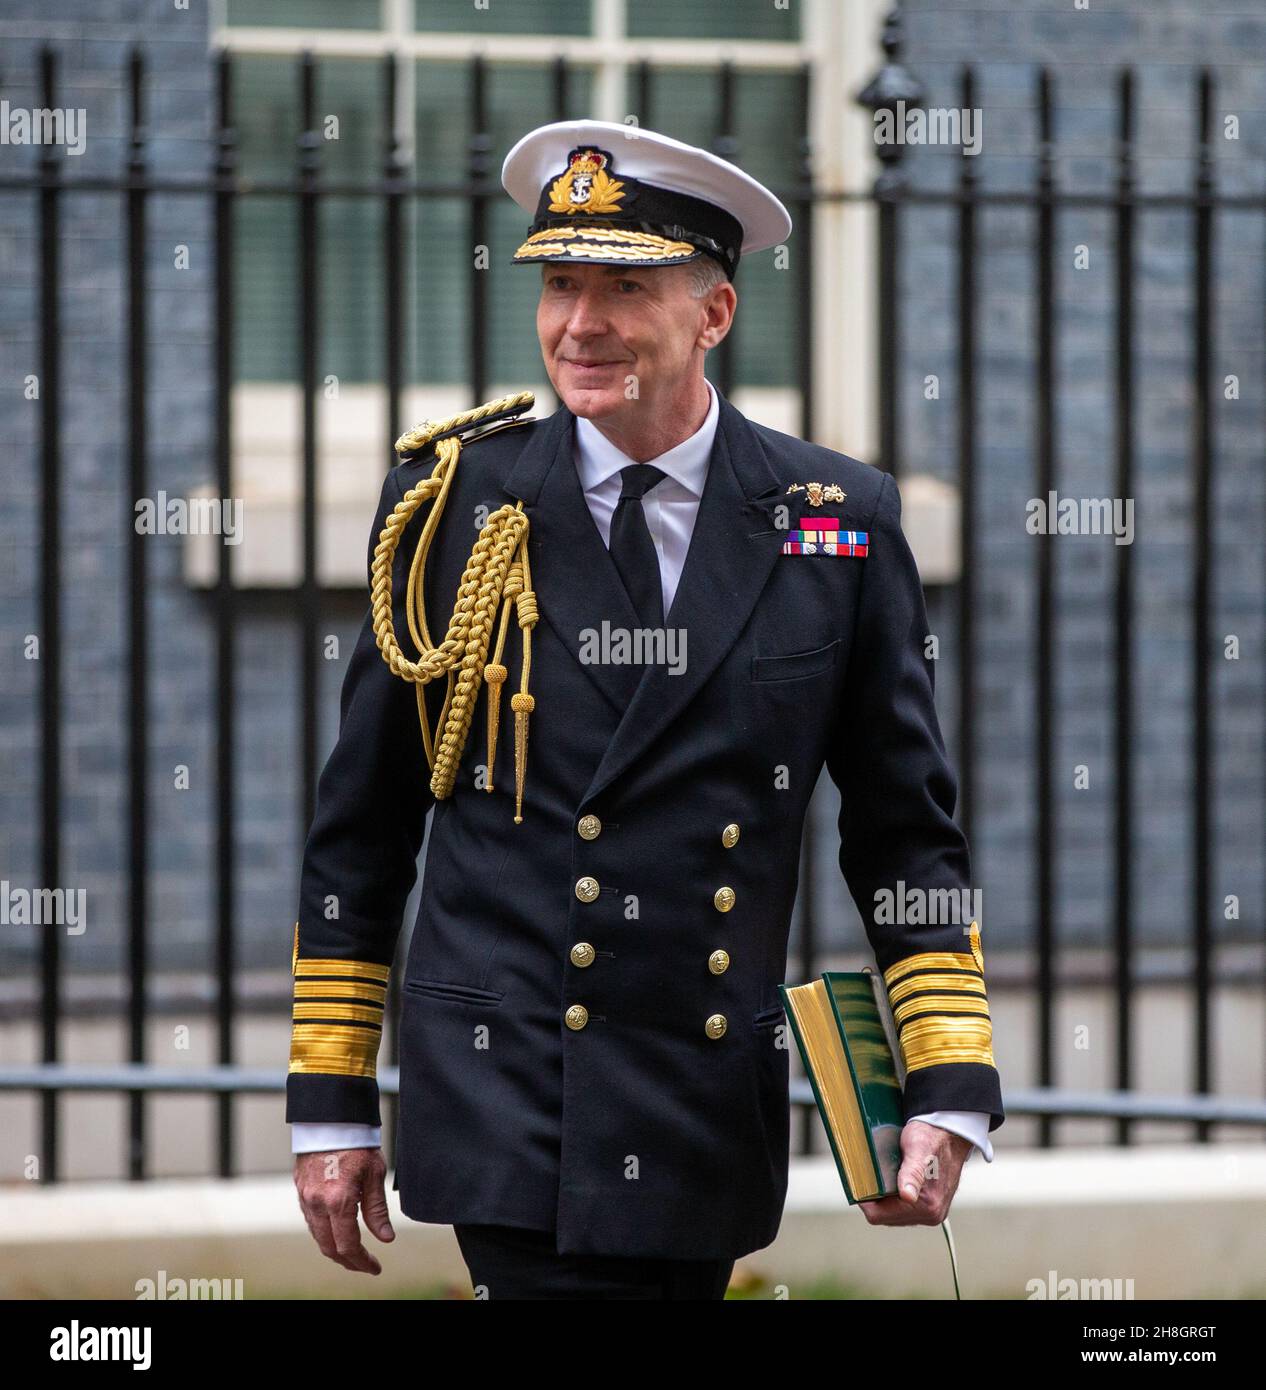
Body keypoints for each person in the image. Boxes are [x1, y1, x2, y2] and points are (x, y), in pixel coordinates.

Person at [288, 119, 1004, 1300]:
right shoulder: (451, 507)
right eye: (561, 284)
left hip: (696, 1091)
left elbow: (905, 831)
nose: (581, 324)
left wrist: (947, 1074)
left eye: (624, 287)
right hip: (503, 1083)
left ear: (713, 313)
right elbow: (359, 830)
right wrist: (329, 1100)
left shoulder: (834, 522)